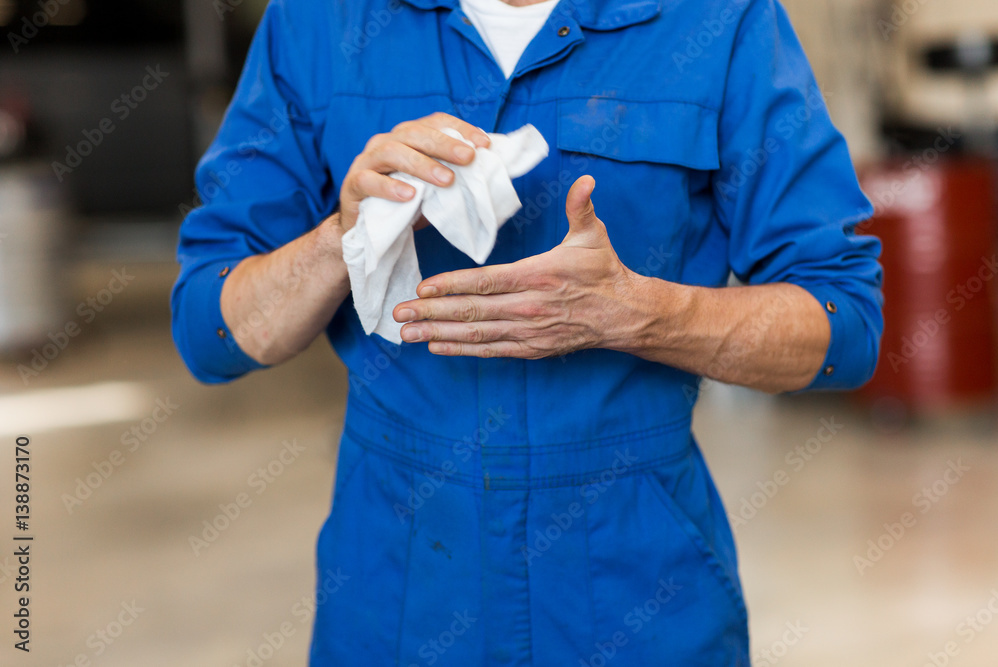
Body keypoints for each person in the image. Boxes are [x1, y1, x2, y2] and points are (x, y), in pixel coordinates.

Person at [171, 0, 883, 663]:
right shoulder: (320, 21)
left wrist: (636, 313)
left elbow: (842, 323)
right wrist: (347, 235)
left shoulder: (719, 20)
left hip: (639, 588)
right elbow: (213, 328)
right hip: (396, 588)